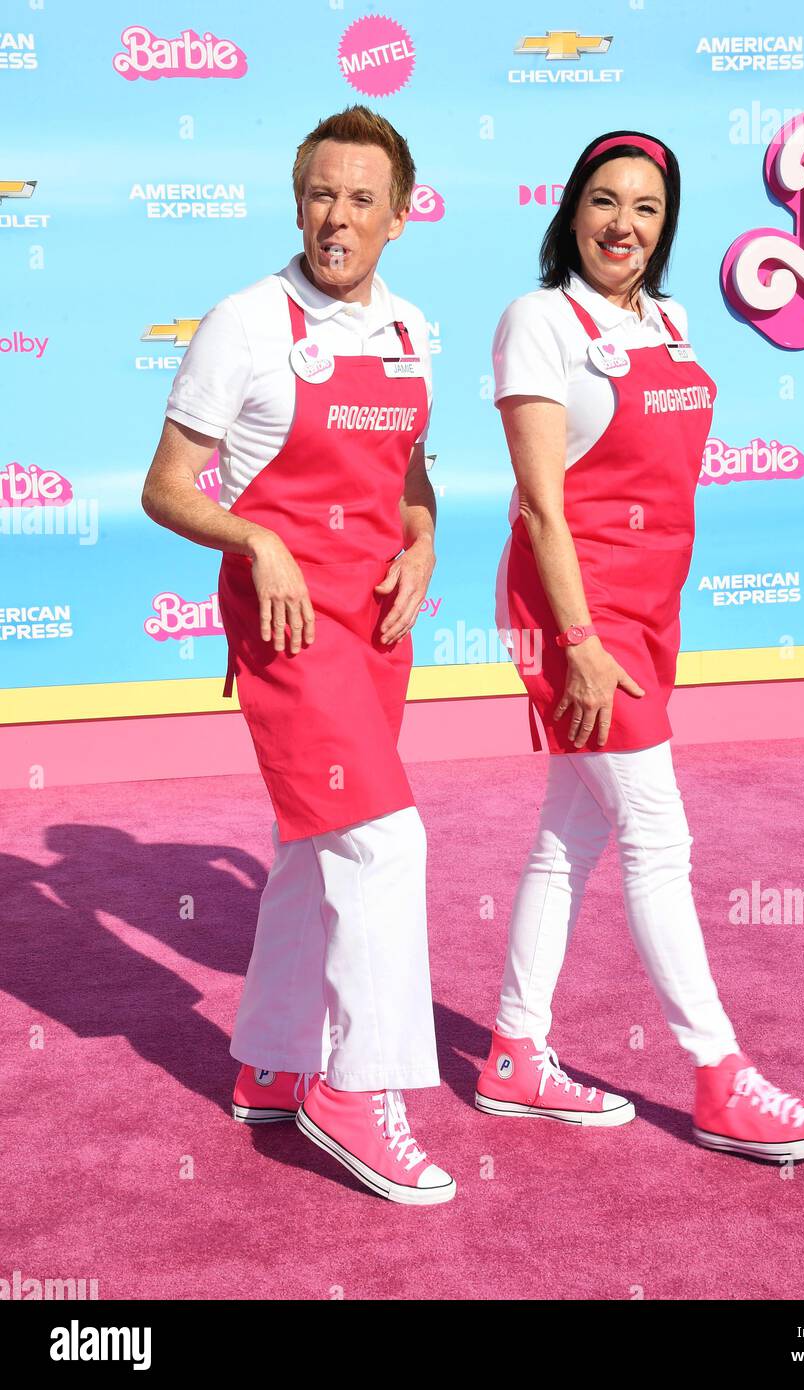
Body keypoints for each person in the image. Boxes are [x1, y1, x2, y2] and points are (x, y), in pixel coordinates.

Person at [478, 129, 804, 1162]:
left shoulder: (672, 321)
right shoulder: (538, 322)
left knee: (571, 835)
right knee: (658, 836)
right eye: (604, 201)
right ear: (570, 211)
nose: (623, 225)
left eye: (645, 207)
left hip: (648, 604)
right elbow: (544, 511)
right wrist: (581, 642)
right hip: (574, 608)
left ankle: (514, 1049)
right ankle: (719, 1076)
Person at [141, 105, 455, 1204]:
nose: (338, 215)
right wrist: (257, 537)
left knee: (309, 849)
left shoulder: (414, 329)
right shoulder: (246, 320)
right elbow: (166, 486)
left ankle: (273, 1062)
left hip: (375, 631)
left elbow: (410, 475)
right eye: (322, 192)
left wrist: (424, 539)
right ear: (296, 201)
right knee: (385, 841)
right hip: (287, 631)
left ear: (399, 218)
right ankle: (358, 1091)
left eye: (362, 198)